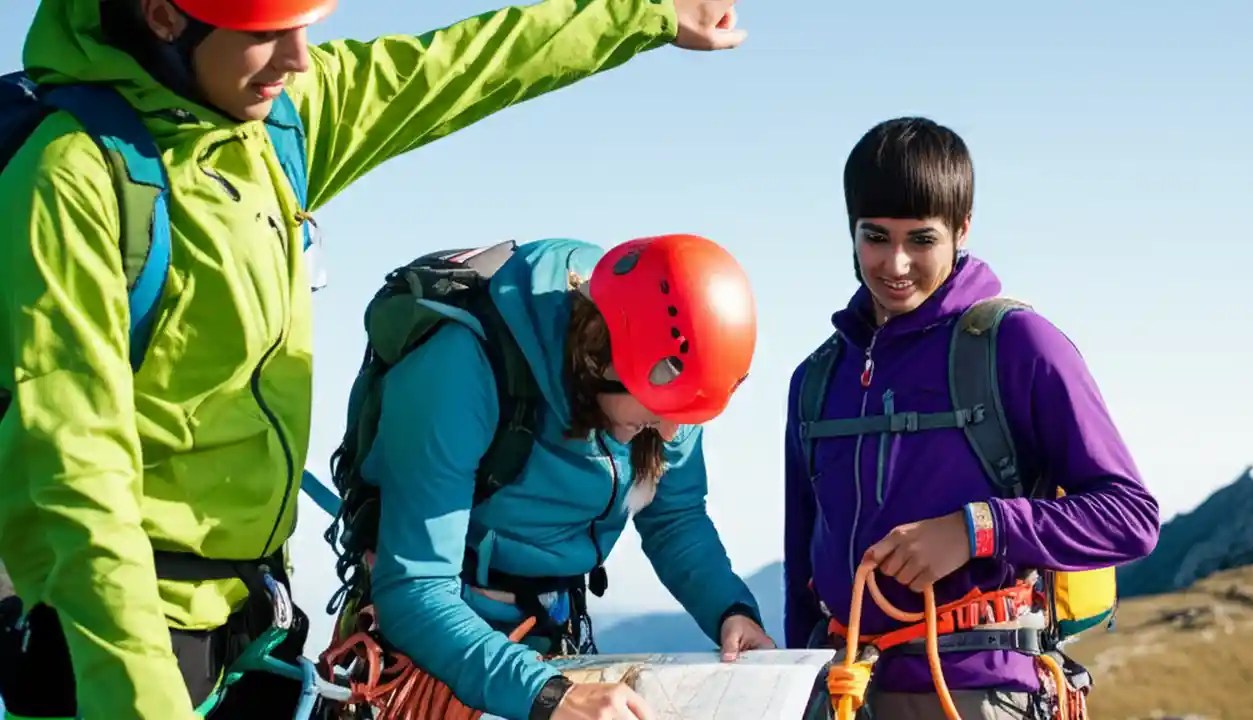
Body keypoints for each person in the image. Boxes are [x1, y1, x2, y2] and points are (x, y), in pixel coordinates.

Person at [0, 0, 751, 717]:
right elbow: (79, 483)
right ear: (165, 16)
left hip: (252, 627)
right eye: (269, 32)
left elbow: (457, 66)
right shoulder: (73, 179)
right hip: (118, 647)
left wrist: (644, 17)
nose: (299, 58)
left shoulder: (277, 124)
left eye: (304, 26)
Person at [782, 117, 1161, 719]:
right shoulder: (817, 378)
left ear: (962, 229)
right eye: (875, 236)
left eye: (922, 240)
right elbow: (802, 569)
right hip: (844, 696)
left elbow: (1130, 518)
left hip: (983, 691)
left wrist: (975, 530)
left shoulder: (1018, 345)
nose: (896, 263)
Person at [322, 234, 775, 720]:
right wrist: (547, 695)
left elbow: (674, 519)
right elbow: (415, 591)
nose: (669, 430)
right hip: (430, 646)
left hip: (550, 634)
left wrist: (731, 610)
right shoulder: (459, 368)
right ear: (602, 357)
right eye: (662, 410)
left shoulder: (672, 383)